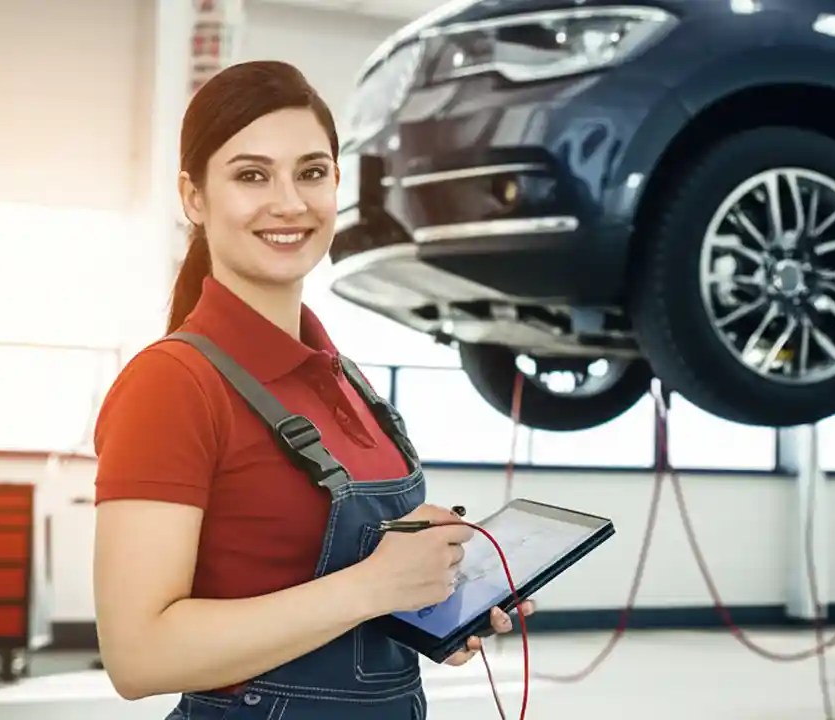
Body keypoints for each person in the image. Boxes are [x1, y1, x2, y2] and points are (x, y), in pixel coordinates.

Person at [91, 60, 534, 720]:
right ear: (193, 197)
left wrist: (434, 595)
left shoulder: (349, 381)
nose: (290, 203)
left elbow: (343, 595)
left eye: (312, 172)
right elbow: (138, 656)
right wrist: (373, 584)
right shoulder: (174, 384)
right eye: (251, 175)